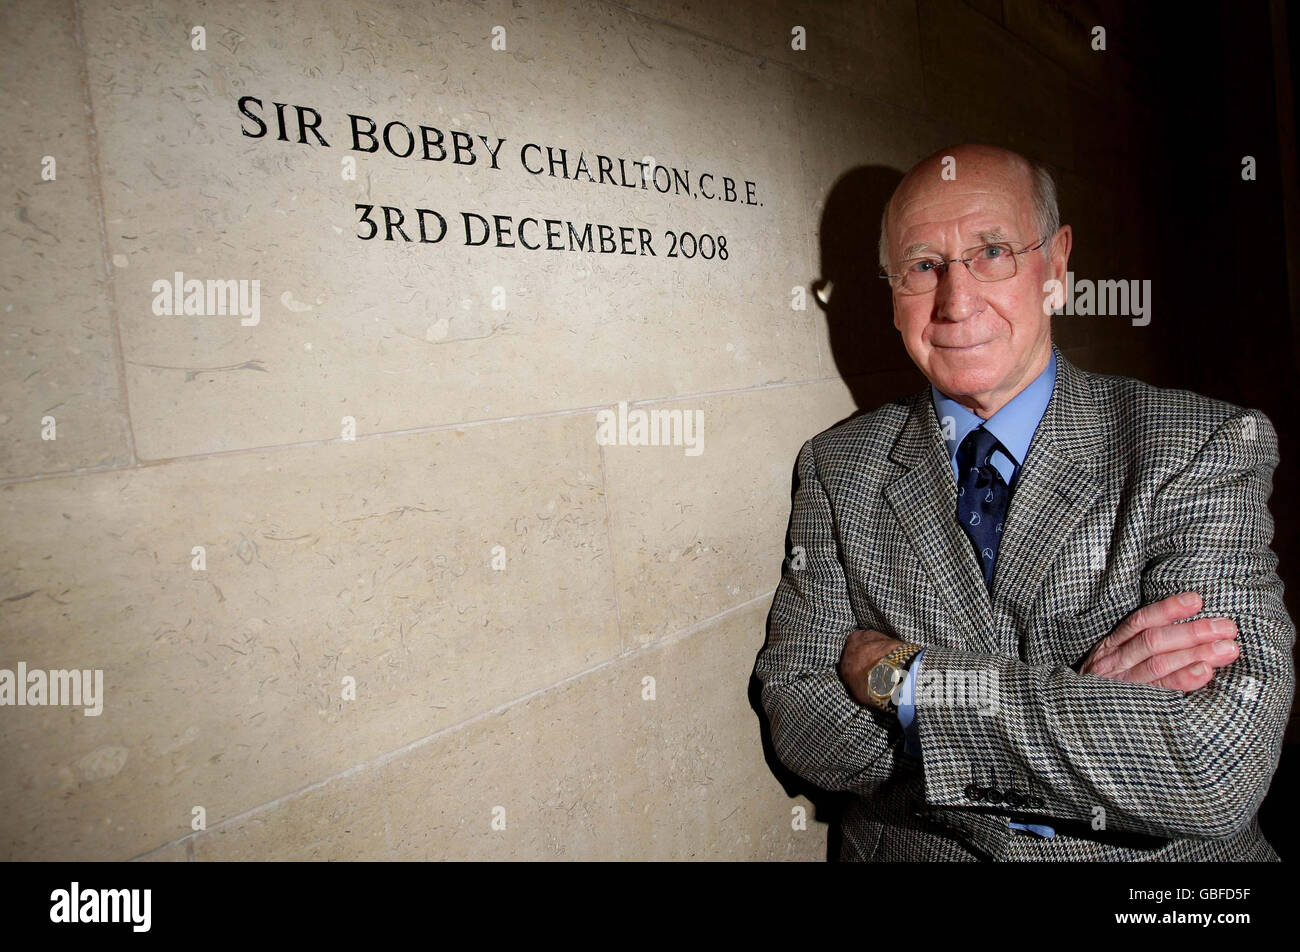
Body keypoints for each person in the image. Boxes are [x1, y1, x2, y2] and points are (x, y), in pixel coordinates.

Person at [755, 143, 1294, 861]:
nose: (955, 301)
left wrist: (904, 680)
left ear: (1057, 268)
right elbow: (802, 724)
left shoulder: (1199, 444)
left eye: (993, 252)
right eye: (922, 266)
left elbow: (1218, 765)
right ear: (889, 293)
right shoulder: (837, 466)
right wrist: (1092, 718)